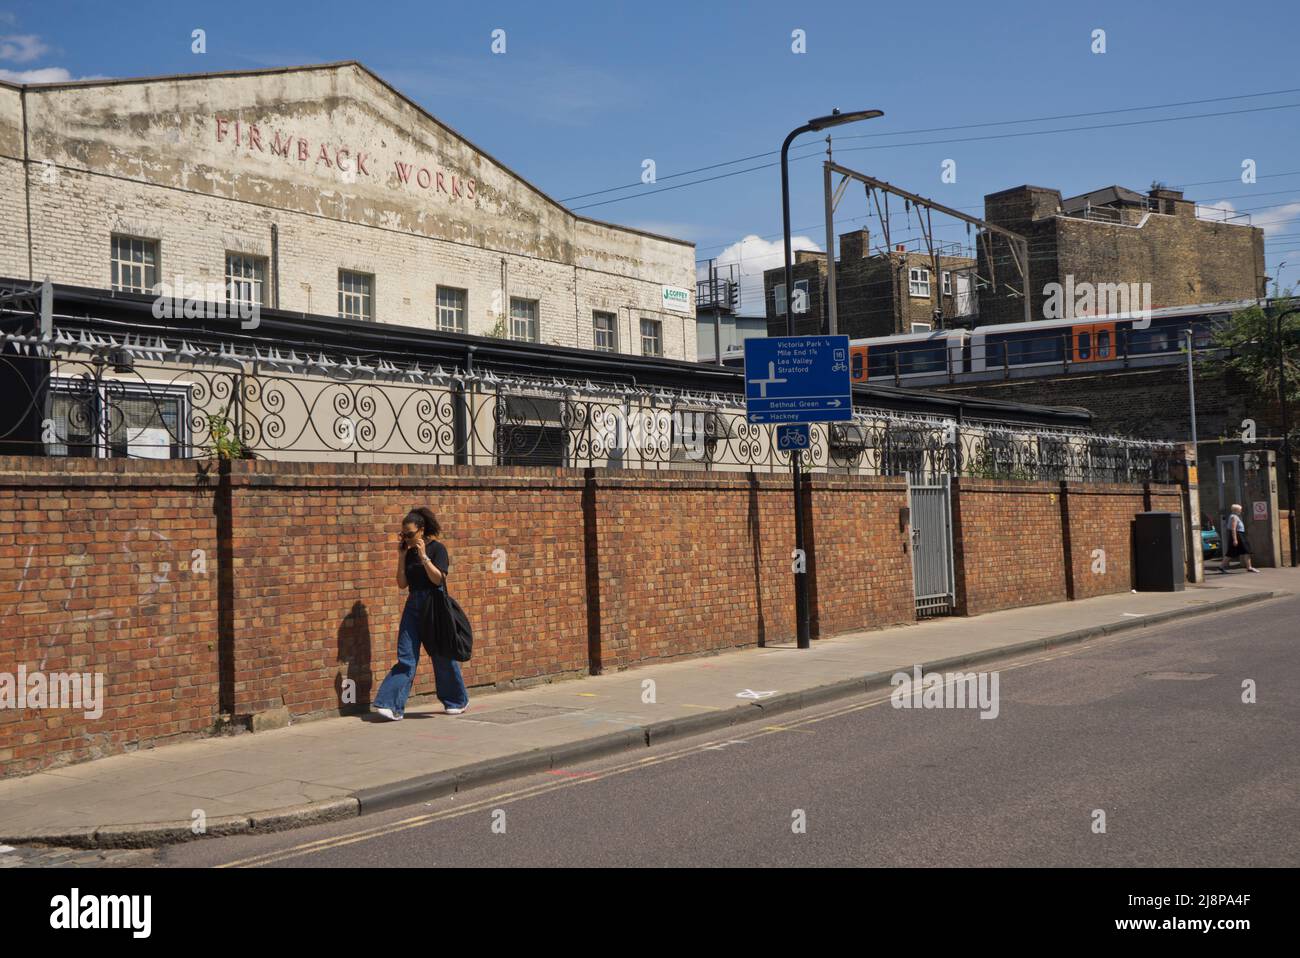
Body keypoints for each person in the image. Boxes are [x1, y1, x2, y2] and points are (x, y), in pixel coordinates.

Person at [371, 507, 470, 719]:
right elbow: (402, 584)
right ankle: (392, 705)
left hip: (434, 604)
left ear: (421, 531)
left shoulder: (437, 549)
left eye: (409, 534)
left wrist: (424, 556)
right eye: (402, 535)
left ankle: (456, 700)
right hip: (414, 603)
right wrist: (401, 557)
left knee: (442, 654)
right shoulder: (407, 553)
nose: (405, 538)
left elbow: (438, 579)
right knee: (406, 655)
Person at [1219, 503, 1260, 574]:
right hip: (1238, 535)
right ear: (1236, 510)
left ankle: (1249, 567)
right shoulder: (1234, 517)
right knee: (1235, 552)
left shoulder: (1235, 516)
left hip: (1240, 535)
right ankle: (1221, 567)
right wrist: (1235, 539)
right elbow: (1233, 528)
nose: (1241, 511)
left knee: (1245, 551)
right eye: (1240, 510)